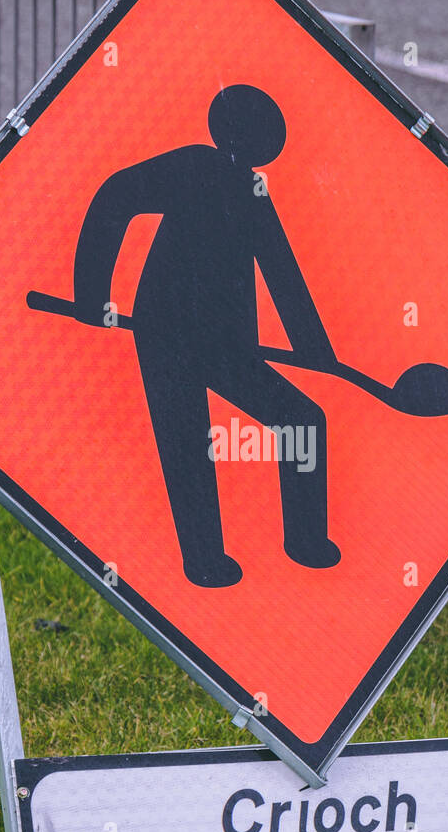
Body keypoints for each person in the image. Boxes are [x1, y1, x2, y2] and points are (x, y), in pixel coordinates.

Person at [67, 84, 341, 587]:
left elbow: (281, 271)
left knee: (303, 418)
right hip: (166, 332)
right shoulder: (192, 165)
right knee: (187, 440)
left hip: (229, 342)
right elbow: (115, 197)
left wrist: (315, 349)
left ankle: (304, 541)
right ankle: (203, 560)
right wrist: (90, 295)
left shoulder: (253, 189)